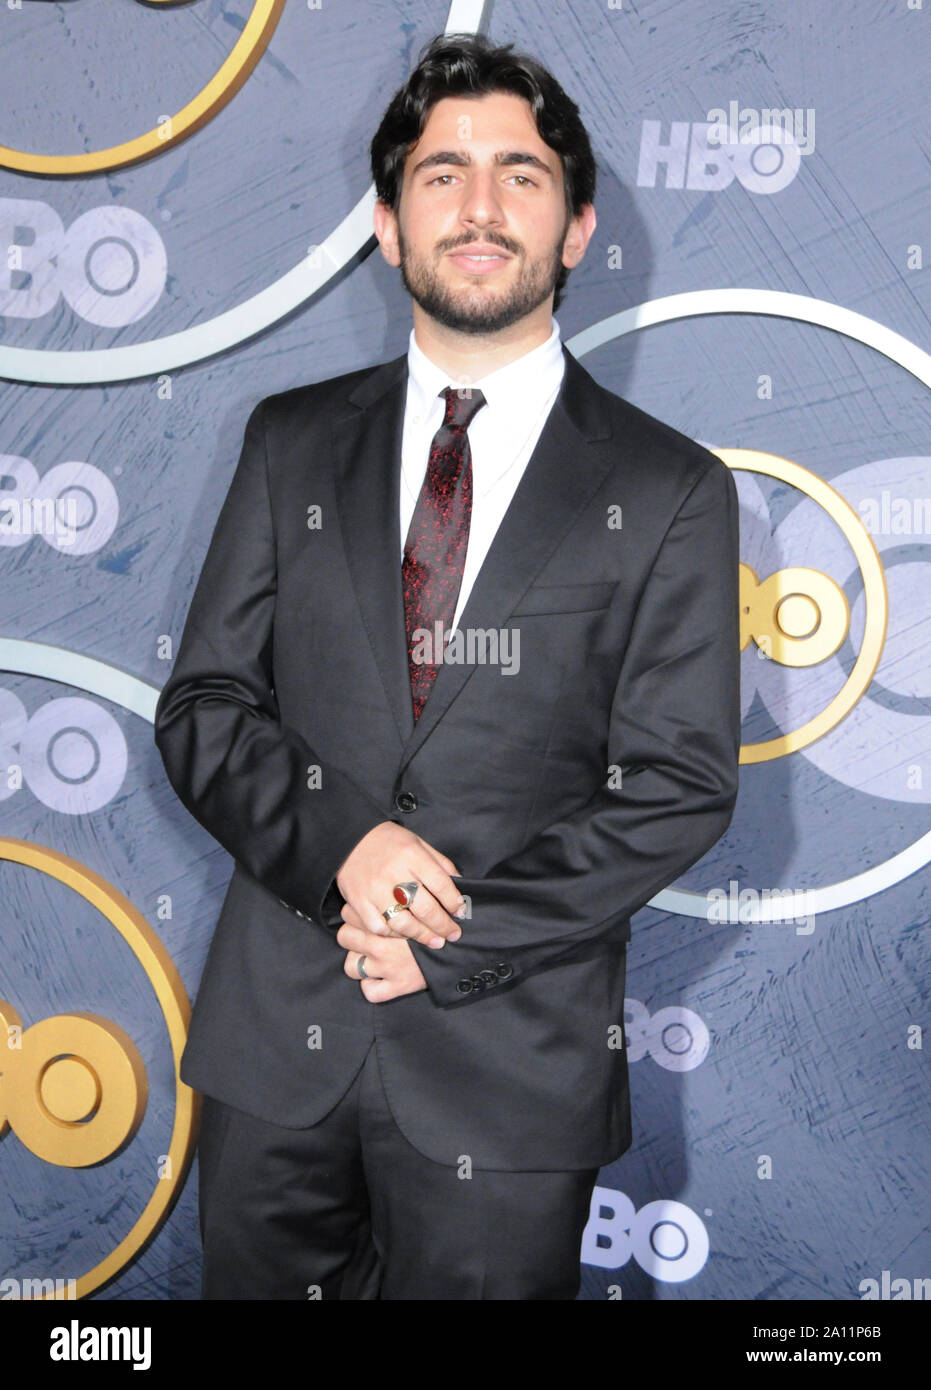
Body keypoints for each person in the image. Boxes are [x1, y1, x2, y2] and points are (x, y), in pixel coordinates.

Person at [153, 31, 742, 1300]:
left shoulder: (668, 486)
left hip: (508, 1073)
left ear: (577, 228)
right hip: (273, 1061)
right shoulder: (288, 442)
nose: (479, 206)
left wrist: (449, 931)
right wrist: (345, 850)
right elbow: (205, 708)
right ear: (387, 224)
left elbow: (681, 783)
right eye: (442, 173)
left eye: (520, 175)